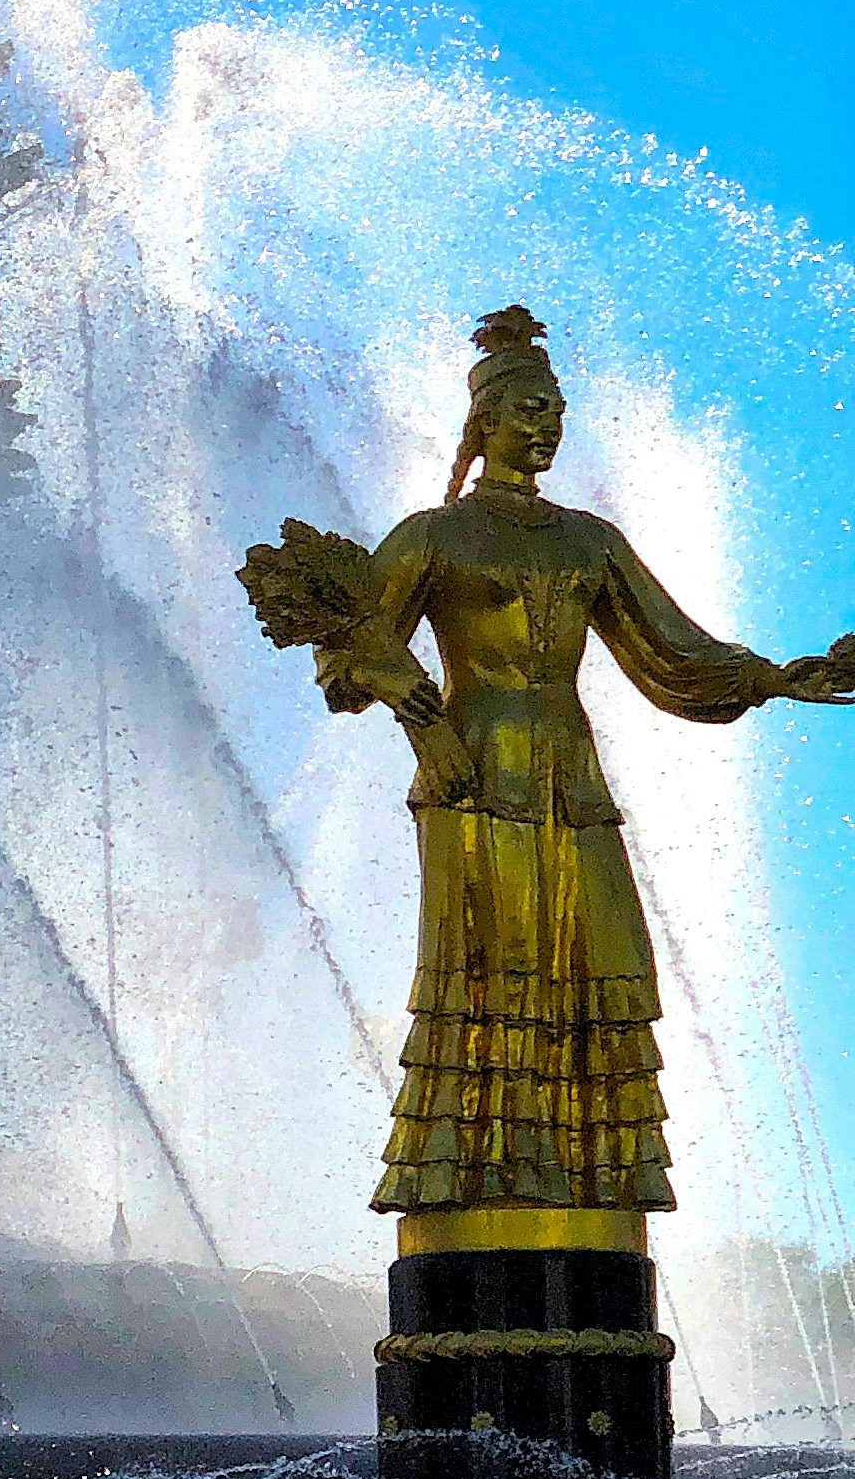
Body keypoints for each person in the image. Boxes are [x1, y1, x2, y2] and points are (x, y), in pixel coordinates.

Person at [280, 305, 855, 1223]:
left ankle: (585, 1175)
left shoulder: (591, 540)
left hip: (569, 774)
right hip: (471, 769)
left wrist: (779, 678)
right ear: (486, 422)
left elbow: (673, 653)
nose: (548, 424)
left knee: (598, 954)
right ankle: (472, 1170)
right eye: (532, 408)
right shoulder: (432, 534)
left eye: (557, 410)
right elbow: (349, 652)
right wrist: (415, 711)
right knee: (487, 963)